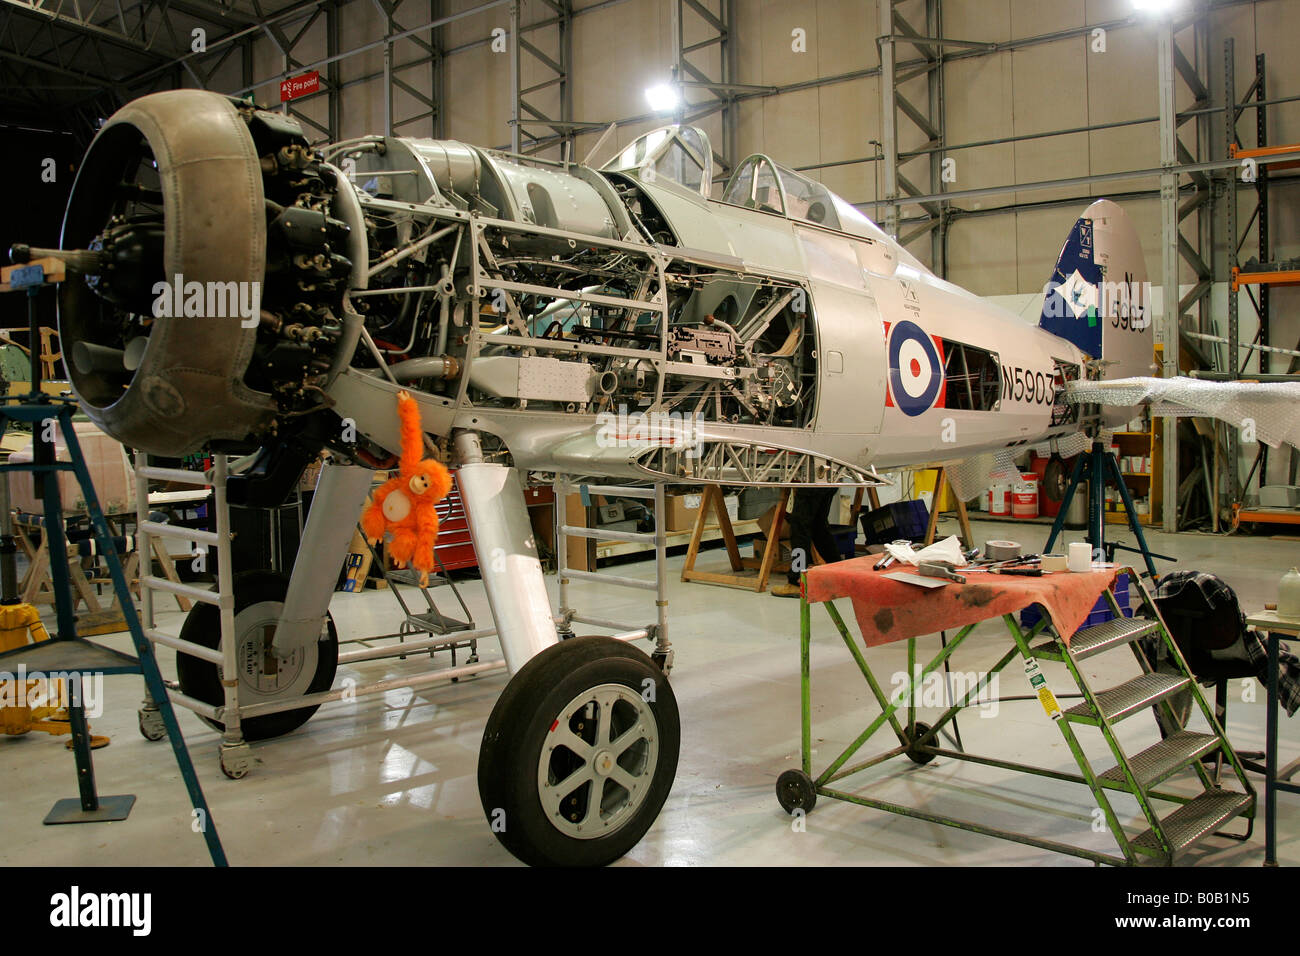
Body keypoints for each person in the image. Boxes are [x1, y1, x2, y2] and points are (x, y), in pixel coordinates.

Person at [770, 486, 842, 598]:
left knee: (799, 527)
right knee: (819, 526)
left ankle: (797, 581)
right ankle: (840, 574)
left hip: (812, 482)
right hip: (828, 479)